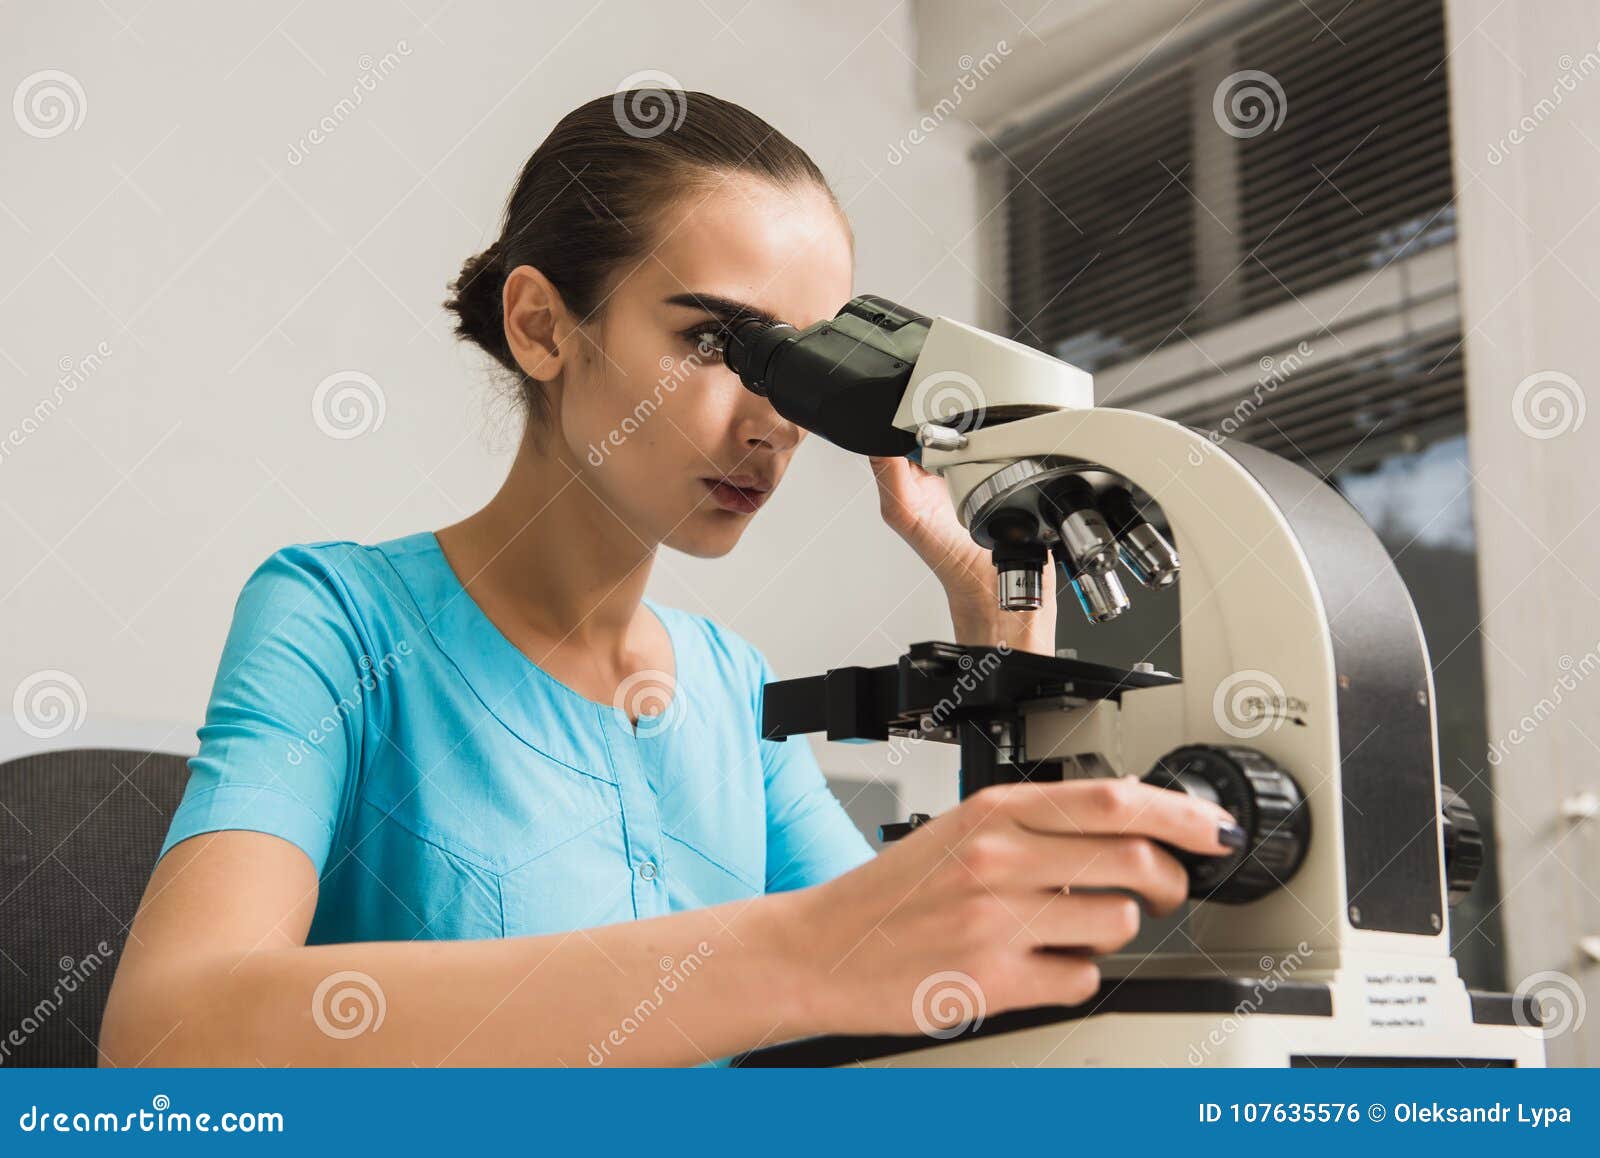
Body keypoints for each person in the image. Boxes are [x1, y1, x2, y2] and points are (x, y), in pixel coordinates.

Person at [100, 89, 1239, 1067]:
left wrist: (1004, 631)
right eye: (717, 346)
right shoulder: (338, 621)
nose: (776, 421)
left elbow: (944, 1007)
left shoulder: (724, 689)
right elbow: (168, 1036)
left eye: (806, 363)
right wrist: (796, 953)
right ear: (544, 326)